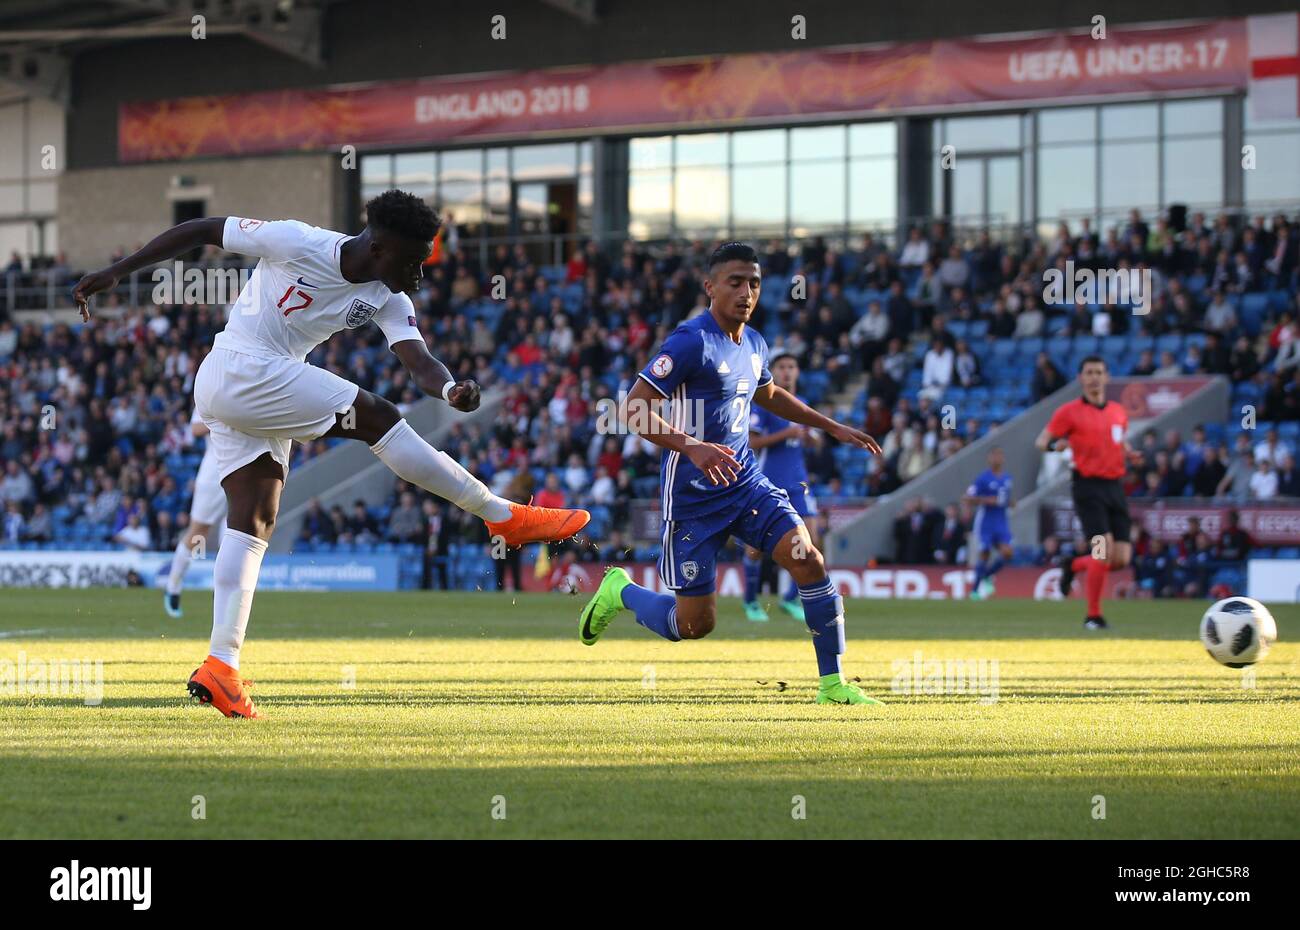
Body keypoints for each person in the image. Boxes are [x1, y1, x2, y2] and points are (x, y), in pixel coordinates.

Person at [72, 190, 589, 719]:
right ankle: (503, 517)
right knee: (379, 418)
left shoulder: (390, 297)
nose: (421, 274)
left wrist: (452, 389)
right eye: (415, 261)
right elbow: (202, 229)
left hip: (249, 390)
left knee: (253, 522)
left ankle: (221, 666)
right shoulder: (297, 240)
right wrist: (120, 271)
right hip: (240, 365)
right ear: (381, 248)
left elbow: (419, 360)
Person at [575, 242, 885, 706]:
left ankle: (833, 684)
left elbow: (771, 394)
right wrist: (692, 445)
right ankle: (622, 591)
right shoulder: (689, 341)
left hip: (745, 485)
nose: (746, 292)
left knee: (809, 560)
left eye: (754, 282)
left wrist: (829, 424)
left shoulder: (756, 343)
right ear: (710, 287)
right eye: (735, 282)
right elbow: (632, 409)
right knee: (695, 625)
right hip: (693, 497)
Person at [1036, 356, 1138, 630]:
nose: (1094, 377)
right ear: (1081, 378)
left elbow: (1120, 439)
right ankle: (1093, 616)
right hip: (1087, 486)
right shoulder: (1068, 412)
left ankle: (1073, 564)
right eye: (1089, 372)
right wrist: (1055, 446)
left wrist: (1130, 453)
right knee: (1103, 551)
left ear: (1107, 377)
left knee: (1121, 559)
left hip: (1115, 486)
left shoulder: (1118, 411)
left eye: (1099, 372)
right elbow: (1042, 441)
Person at [741, 350, 817, 622]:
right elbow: (752, 442)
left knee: (812, 541)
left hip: (798, 482)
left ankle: (789, 599)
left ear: (797, 372)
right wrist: (787, 433)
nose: (787, 371)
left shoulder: (803, 403)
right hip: (769, 480)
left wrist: (811, 439)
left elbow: (811, 439)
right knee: (757, 547)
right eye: (782, 367)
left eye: (792, 367)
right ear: (774, 371)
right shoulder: (765, 403)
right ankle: (750, 601)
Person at [163, 407, 231, 619]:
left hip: (244, 469)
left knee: (234, 535)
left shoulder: (253, 385)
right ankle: (173, 585)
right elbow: (195, 429)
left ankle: (223, 593)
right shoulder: (211, 386)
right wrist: (225, 417)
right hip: (214, 471)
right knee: (198, 533)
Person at [964, 446, 1014, 600]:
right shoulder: (982, 478)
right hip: (986, 521)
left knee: (1007, 553)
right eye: (994, 455)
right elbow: (967, 498)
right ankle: (975, 591)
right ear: (989, 458)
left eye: (1000, 455)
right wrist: (987, 500)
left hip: (1001, 521)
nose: (997, 458)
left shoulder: (1007, 478)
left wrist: (1011, 503)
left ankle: (986, 575)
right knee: (984, 554)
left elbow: (1005, 499)